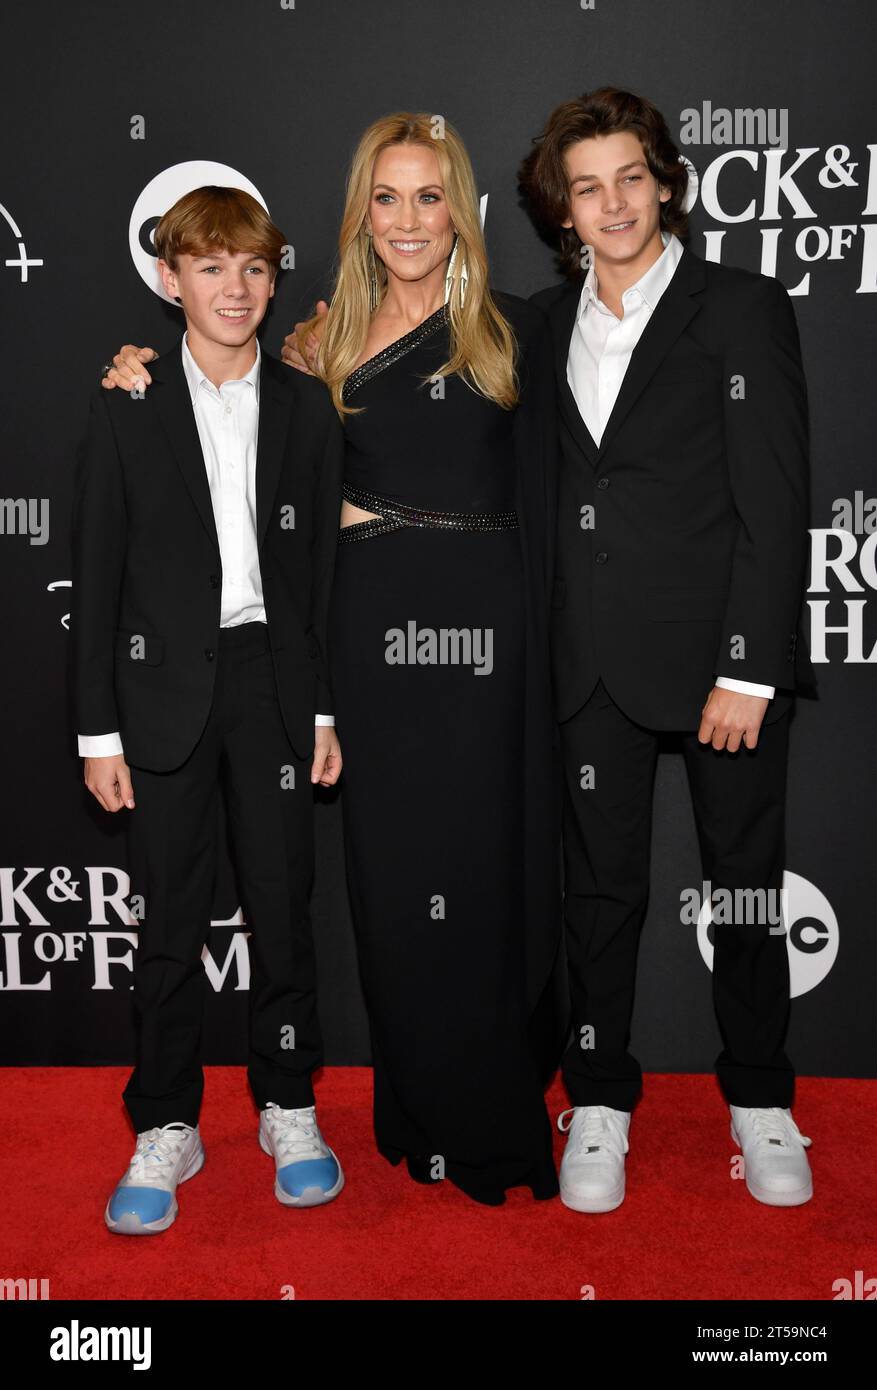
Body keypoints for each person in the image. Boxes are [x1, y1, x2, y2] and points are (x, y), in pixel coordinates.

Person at [99, 115, 567, 1207]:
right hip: (368, 638)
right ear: (361, 212)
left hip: (488, 636)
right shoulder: (323, 342)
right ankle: (412, 1110)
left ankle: (493, 1107)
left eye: (429, 196)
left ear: (460, 209)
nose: (407, 220)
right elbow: (215, 378)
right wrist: (133, 368)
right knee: (395, 882)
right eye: (386, 198)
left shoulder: (515, 330)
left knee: (484, 874)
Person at [518, 87, 815, 1212]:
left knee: (741, 888)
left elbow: (776, 500)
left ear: (665, 181)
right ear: (563, 211)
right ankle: (596, 1099)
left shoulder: (740, 307)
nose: (613, 203)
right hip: (585, 659)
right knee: (597, 895)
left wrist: (748, 664)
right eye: (587, 186)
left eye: (630, 177)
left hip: (717, 667)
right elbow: (413, 373)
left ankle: (758, 1093)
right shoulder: (539, 325)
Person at [71, 186, 345, 1233]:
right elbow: (94, 577)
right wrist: (98, 729)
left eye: (254, 269)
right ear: (170, 278)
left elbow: (319, 578)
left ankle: (286, 1102)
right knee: (170, 926)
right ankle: (167, 1123)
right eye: (211, 267)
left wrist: (321, 711)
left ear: (274, 282)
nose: (235, 288)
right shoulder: (124, 401)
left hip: (274, 689)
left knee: (284, 912)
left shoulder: (307, 408)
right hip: (163, 697)